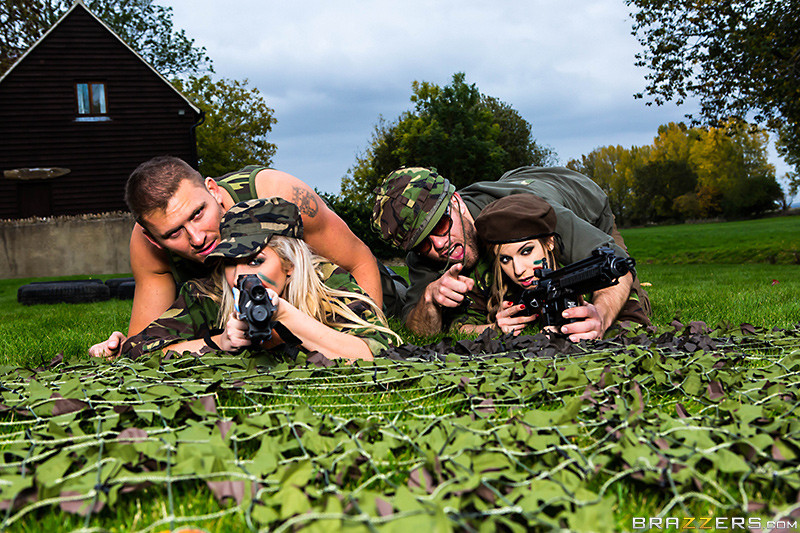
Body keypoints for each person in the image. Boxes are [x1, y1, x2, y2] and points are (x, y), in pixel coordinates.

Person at [90, 156, 405, 358]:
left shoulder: (279, 194)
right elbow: (143, 345)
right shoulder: (206, 290)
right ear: (153, 238)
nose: (197, 239)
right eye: (174, 233)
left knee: (401, 300)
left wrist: (364, 320)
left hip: (337, 288)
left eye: (198, 214)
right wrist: (218, 342)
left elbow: (359, 260)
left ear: (213, 191)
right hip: (233, 306)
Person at [371, 166, 651, 341]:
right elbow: (419, 329)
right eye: (422, 244)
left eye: (442, 225)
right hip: (511, 187)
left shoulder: (526, 212)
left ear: (455, 201)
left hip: (577, 201)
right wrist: (430, 301)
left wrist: (601, 314)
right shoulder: (426, 255)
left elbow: (616, 264)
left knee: (621, 315)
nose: (438, 244)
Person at [119, 198, 401, 361]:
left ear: (290, 263)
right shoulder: (210, 293)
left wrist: (287, 317)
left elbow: (375, 352)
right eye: (231, 262)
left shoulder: (327, 281)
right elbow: (137, 351)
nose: (242, 275)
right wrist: (220, 342)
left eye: (256, 261)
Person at [460, 193, 649, 335]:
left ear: (549, 242)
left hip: (586, 200)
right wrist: (495, 327)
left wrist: (600, 315)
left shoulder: (581, 262)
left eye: (526, 251)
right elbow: (457, 326)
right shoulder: (490, 275)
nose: (518, 270)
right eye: (505, 259)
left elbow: (632, 313)